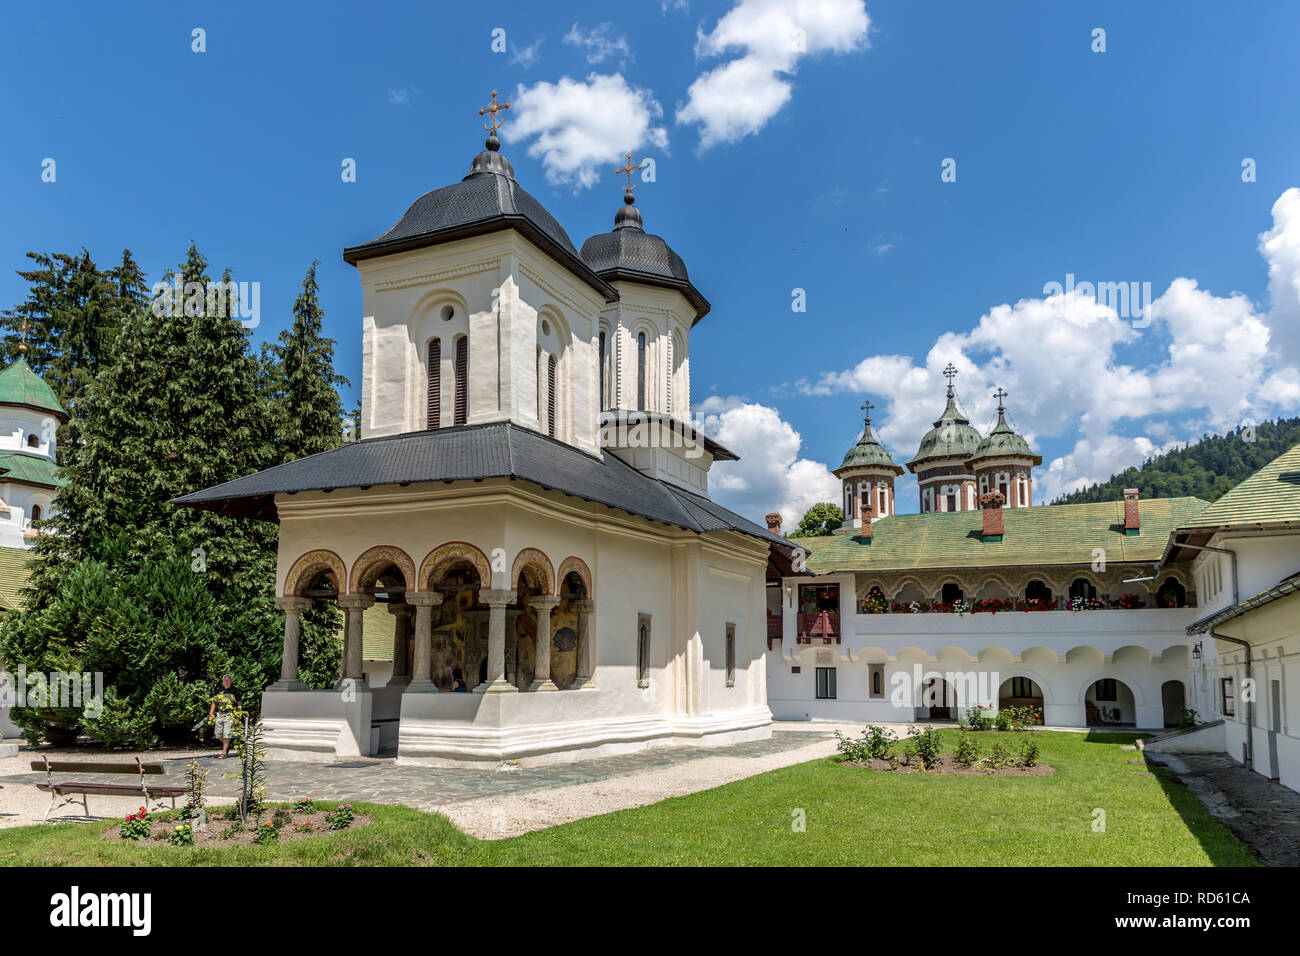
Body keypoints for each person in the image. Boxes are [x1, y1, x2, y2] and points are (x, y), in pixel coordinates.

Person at [208, 674, 242, 758]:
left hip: (230, 714)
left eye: (228, 680)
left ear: (231, 681)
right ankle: (227, 744)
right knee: (218, 734)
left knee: (227, 734)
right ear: (223, 681)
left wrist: (237, 716)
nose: (227, 682)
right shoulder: (219, 690)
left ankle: (223, 752)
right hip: (220, 713)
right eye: (225, 680)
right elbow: (214, 702)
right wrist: (211, 713)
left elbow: (239, 704)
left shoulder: (235, 691)